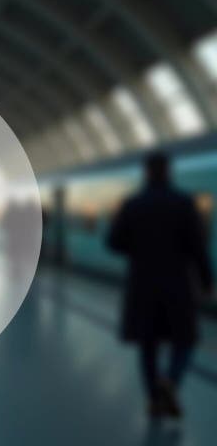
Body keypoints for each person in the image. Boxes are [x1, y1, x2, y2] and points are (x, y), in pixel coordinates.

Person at [107, 152, 213, 418]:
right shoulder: (183, 203)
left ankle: (154, 400)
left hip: (142, 285)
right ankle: (171, 380)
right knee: (185, 340)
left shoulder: (132, 204)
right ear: (168, 171)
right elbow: (198, 248)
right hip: (178, 284)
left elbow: (113, 242)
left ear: (146, 172)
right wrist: (207, 281)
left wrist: (139, 248)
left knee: (148, 345)